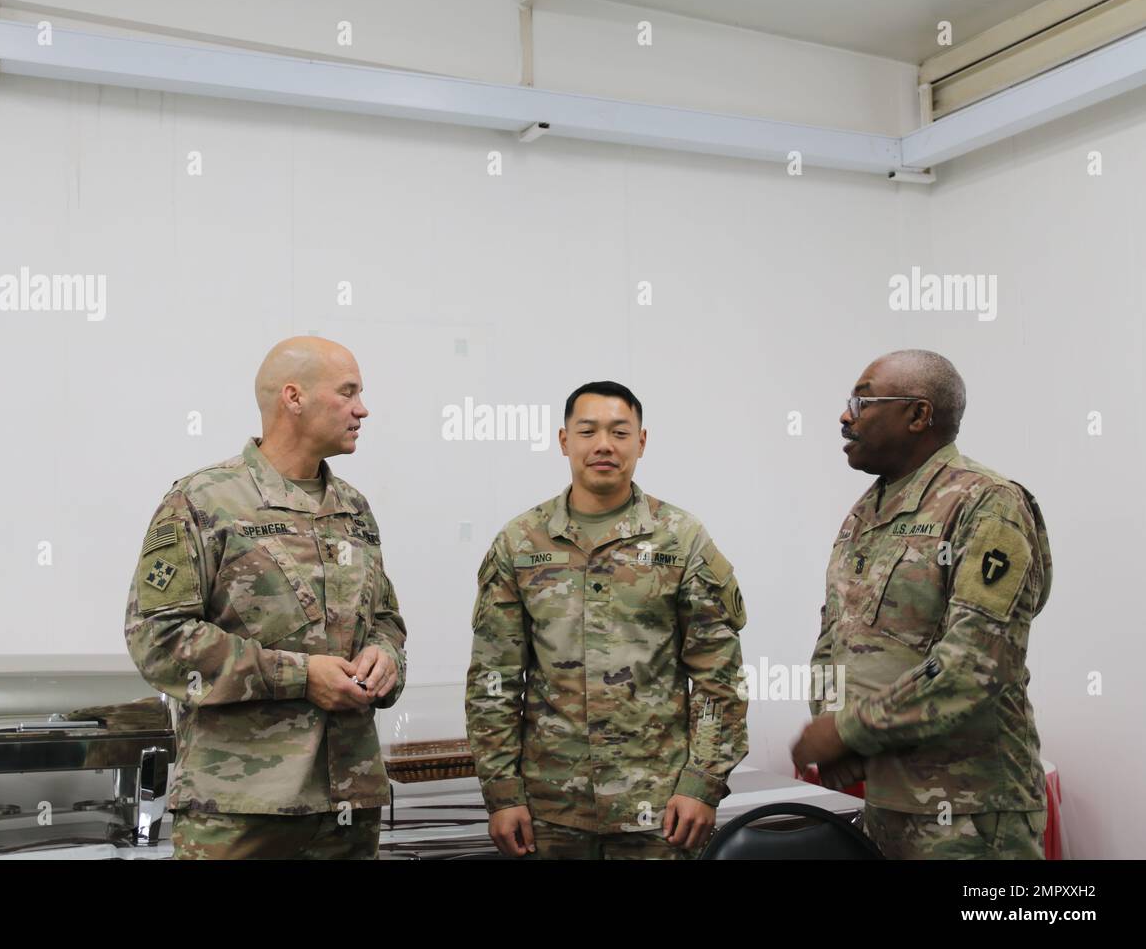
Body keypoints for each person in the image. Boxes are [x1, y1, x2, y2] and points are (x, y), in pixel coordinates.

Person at [124, 336, 406, 859]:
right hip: (241, 811)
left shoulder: (355, 509)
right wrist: (300, 676)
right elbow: (159, 640)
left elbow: (385, 620)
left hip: (349, 802)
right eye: (348, 393)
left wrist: (386, 658)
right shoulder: (203, 501)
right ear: (293, 398)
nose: (362, 409)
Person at [466, 380, 748, 859]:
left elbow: (717, 678)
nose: (603, 445)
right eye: (588, 431)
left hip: (659, 808)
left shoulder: (681, 539)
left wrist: (703, 782)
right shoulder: (521, 542)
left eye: (619, 432)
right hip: (550, 810)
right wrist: (501, 792)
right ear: (563, 441)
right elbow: (494, 679)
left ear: (641, 441)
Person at [792, 349, 1051, 859]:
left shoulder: (987, 501)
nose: (846, 416)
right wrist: (833, 718)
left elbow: (973, 664)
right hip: (889, 802)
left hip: (971, 812)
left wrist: (845, 731)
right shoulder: (866, 511)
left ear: (918, 414)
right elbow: (836, 637)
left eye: (862, 400)